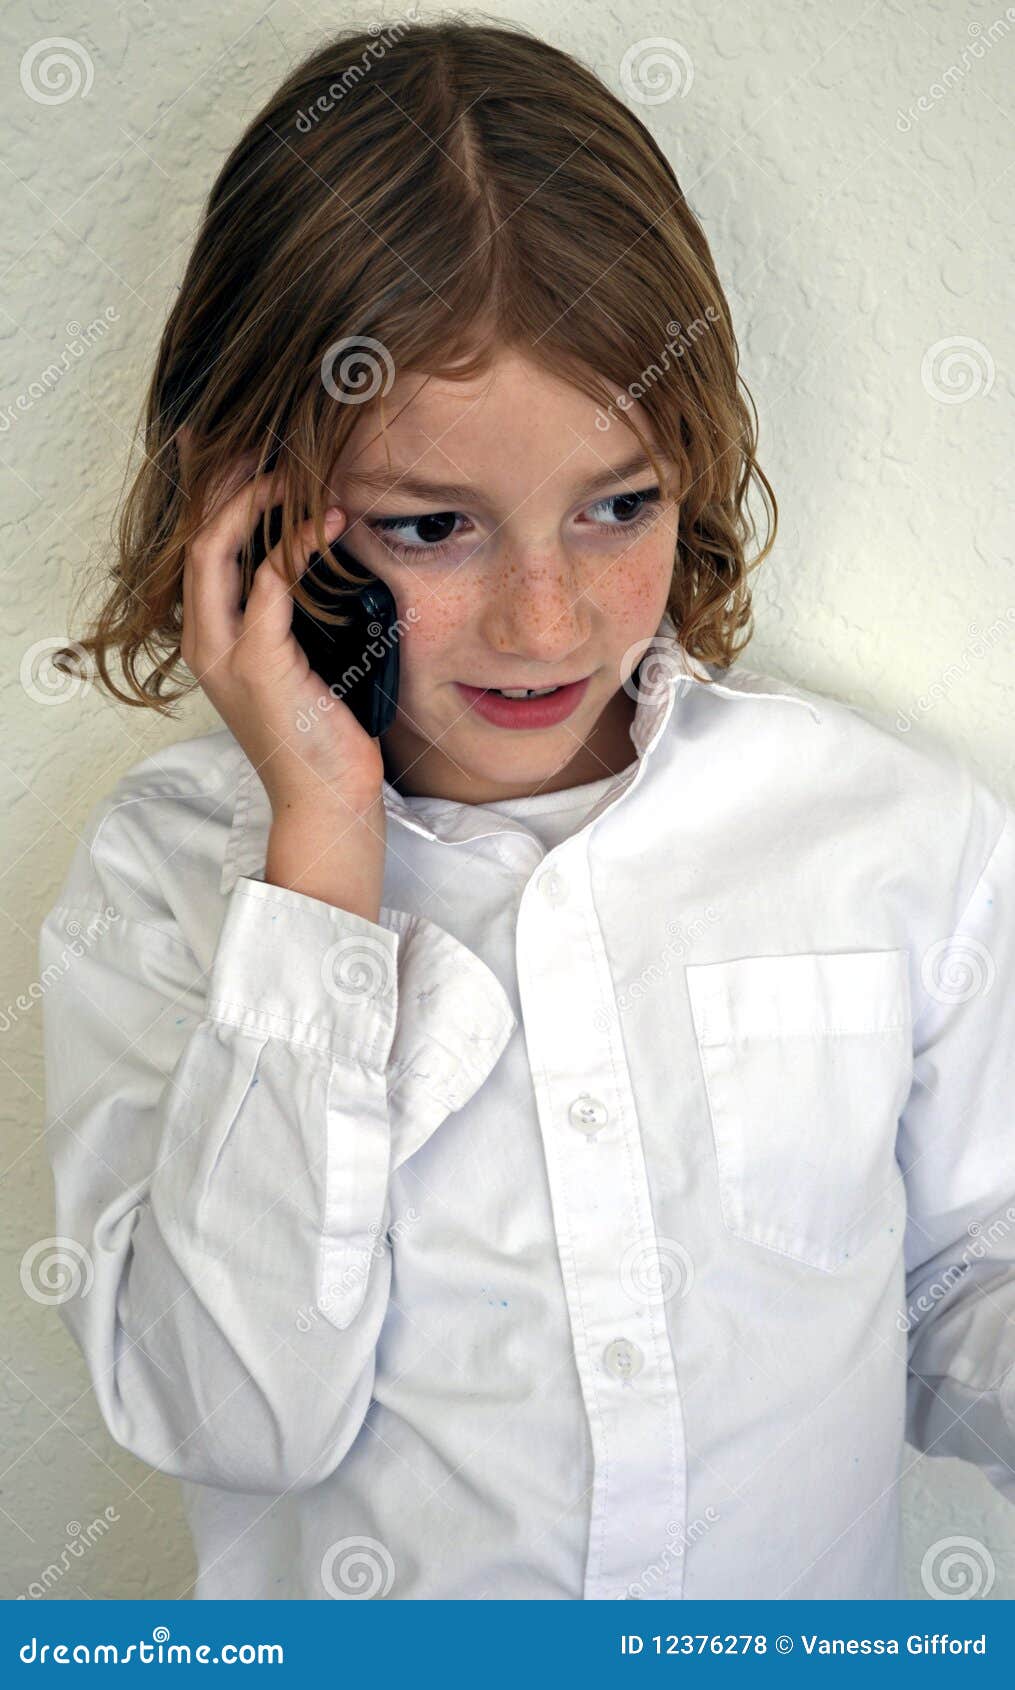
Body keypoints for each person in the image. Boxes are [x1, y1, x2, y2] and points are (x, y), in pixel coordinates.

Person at [38, 18, 1014, 1601]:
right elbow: (235, 1412)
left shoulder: (889, 832)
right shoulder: (168, 883)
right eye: (435, 525)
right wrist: (324, 852)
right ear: (255, 508)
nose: (548, 622)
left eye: (617, 506)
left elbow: (964, 1278)